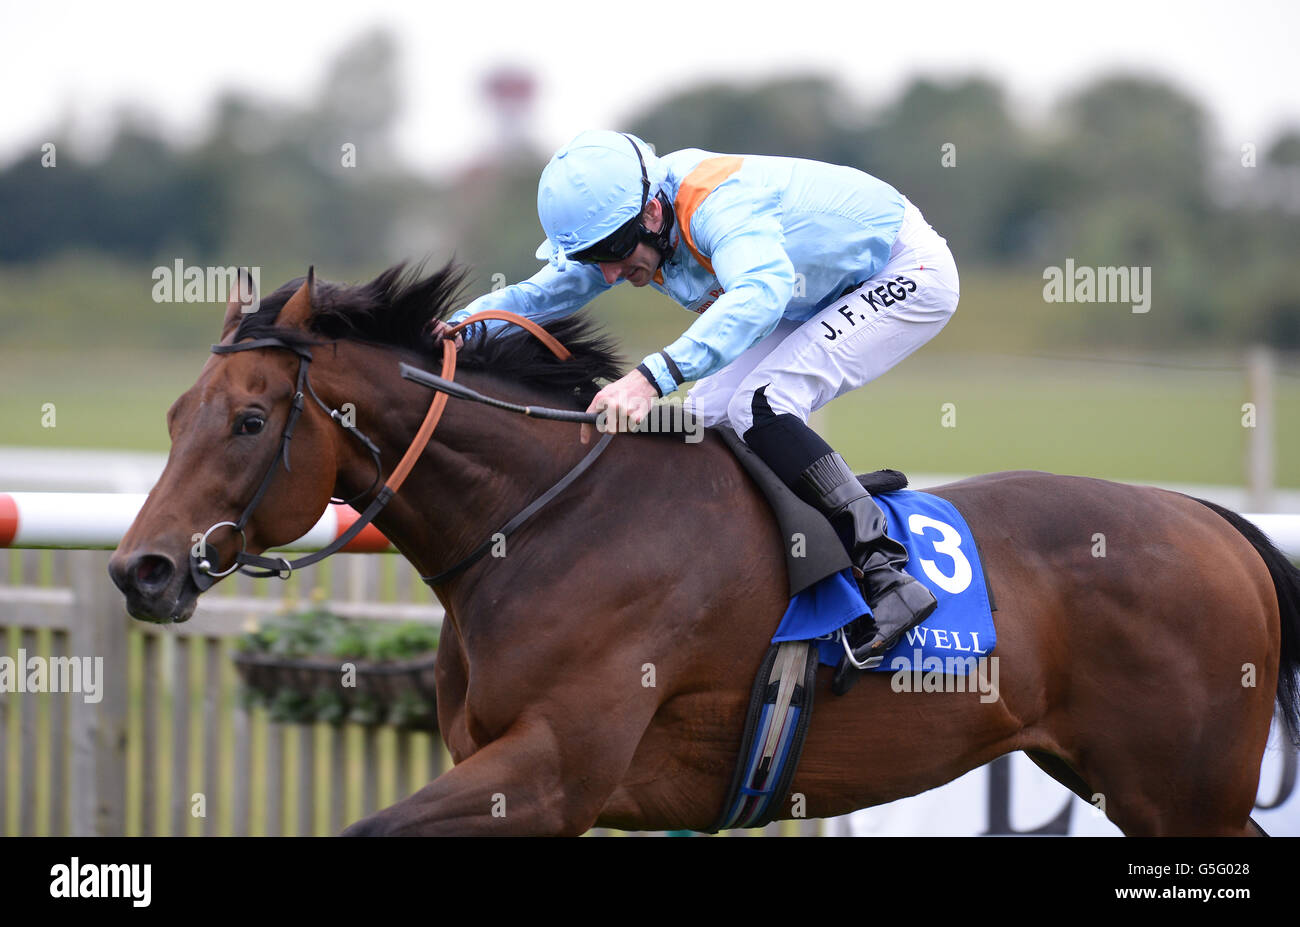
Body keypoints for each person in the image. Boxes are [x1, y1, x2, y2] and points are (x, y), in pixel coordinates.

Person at [439, 129, 960, 689]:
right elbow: (534, 298)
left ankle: (886, 572)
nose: (610, 273)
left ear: (656, 213)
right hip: (813, 289)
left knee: (765, 403)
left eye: (614, 254)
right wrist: (454, 331)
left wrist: (648, 377)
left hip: (903, 271)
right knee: (708, 418)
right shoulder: (622, 223)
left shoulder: (716, 202)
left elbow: (760, 291)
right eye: (593, 258)